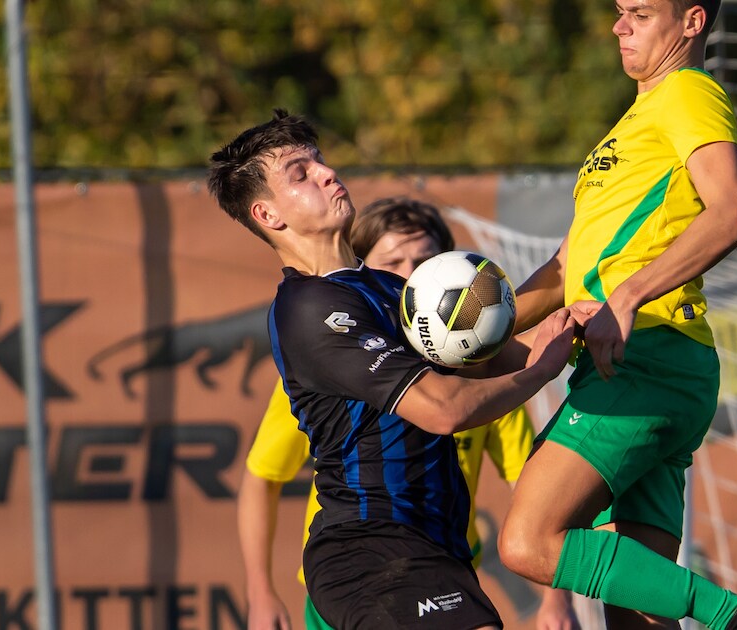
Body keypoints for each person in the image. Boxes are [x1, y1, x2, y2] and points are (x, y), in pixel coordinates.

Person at [495, 1, 737, 629]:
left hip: (648, 359)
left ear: (691, 22)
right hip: (645, 366)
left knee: (527, 540)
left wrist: (626, 298)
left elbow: (732, 212)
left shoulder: (688, 93)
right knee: (638, 616)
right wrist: (476, 326)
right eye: (618, 10)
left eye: (638, 11)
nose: (619, 25)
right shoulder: (632, 124)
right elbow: (563, 270)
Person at [209, 110, 577, 630]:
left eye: (320, 161)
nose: (327, 173)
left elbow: (503, 351)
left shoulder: (386, 291)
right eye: (301, 173)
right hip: (370, 551)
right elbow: (443, 410)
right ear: (268, 215)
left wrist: (578, 286)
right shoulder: (309, 310)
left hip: (435, 548)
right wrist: (543, 368)